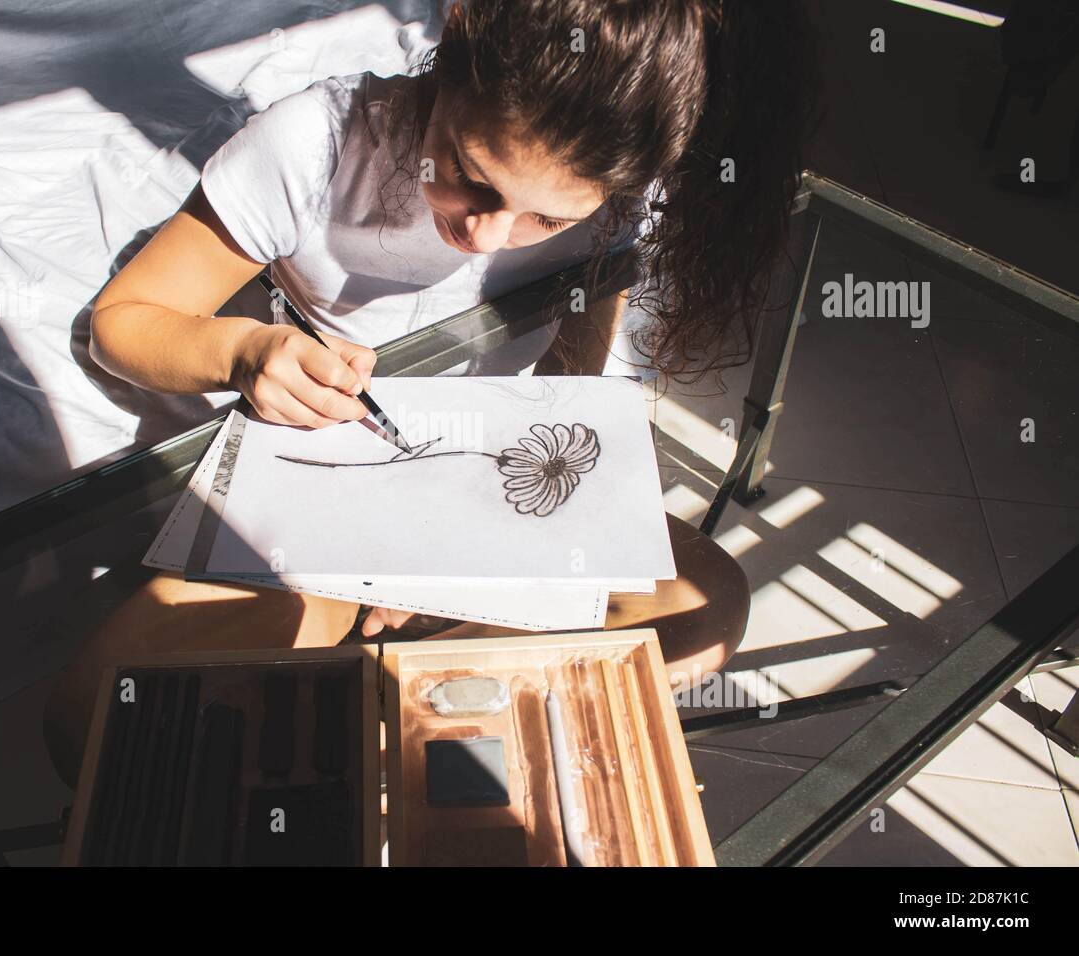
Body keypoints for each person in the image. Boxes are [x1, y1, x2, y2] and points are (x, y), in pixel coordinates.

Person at [45, 0, 815, 781]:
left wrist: (485, 559)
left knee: (704, 609)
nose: (486, 234)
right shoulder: (312, 146)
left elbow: (577, 367)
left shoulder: (611, 193)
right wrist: (243, 351)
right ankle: (406, 720)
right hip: (328, 498)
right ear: (453, 64)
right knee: (97, 716)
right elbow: (122, 322)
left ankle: (392, 722)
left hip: (484, 490)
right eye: (471, 176)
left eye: (543, 216)